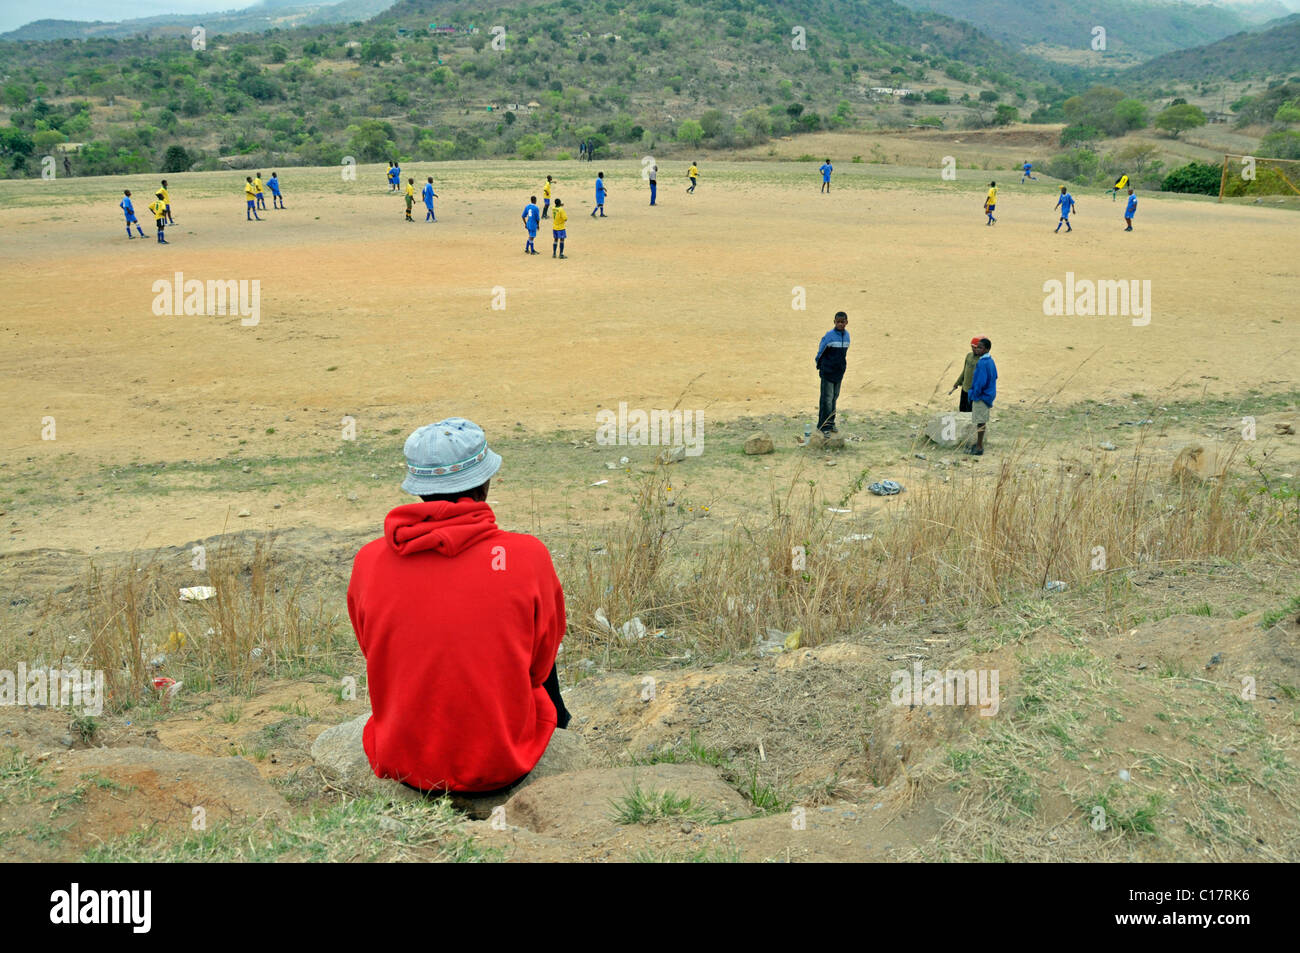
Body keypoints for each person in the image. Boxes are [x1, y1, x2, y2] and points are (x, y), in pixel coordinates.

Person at [347, 417, 571, 795]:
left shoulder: (368, 561)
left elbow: (373, 650)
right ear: (484, 483)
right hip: (501, 765)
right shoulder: (527, 555)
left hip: (406, 764)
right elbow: (539, 665)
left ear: (418, 488)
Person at [815, 311, 850, 434]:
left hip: (839, 373)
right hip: (827, 372)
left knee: (834, 398)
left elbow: (843, 355)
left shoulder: (847, 336)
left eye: (843, 322)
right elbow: (820, 352)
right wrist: (820, 367)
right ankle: (823, 426)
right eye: (838, 322)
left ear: (846, 322)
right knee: (827, 399)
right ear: (834, 322)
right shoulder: (829, 335)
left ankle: (831, 424)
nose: (840, 324)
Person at [967, 337, 997, 456]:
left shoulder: (982, 363)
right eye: (977, 347)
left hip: (981, 396)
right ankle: (978, 444)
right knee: (981, 420)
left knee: (980, 421)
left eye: (980, 347)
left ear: (987, 349)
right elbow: (995, 376)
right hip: (988, 394)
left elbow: (980, 382)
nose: (977, 349)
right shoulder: (990, 361)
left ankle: (979, 446)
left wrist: (974, 394)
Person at [948, 336, 981, 412]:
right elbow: (964, 371)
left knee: (970, 412)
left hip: (973, 392)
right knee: (962, 409)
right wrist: (957, 382)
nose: (973, 349)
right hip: (964, 389)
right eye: (972, 347)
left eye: (976, 347)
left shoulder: (982, 361)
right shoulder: (969, 356)